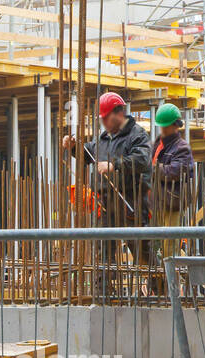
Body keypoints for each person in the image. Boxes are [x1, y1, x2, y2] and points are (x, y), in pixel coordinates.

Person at [61, 92, 152, 289]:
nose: (103, 122)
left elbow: (143, 160)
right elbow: (89, 154)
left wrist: (114, 165)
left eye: (105, 118)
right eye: (101, 119)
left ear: (119, 113)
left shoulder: (137, 134)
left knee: (141, 248)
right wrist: (75, 148)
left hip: (130, 200)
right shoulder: (104, 137)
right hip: (105, 201)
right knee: (103, 251)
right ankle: (103, 294)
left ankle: (158, 287)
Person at [147, 102, 196, 270]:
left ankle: (170, 285)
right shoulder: (159, 143)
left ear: (175, 126)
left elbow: (178, 171)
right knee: (155, 244)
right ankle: (158, 283)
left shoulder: (182, 147)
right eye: (161, 127)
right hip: (157, 201)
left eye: (165, 127)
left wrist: (155, 170)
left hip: (172, 203)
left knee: (169, 247)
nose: (163, 130)